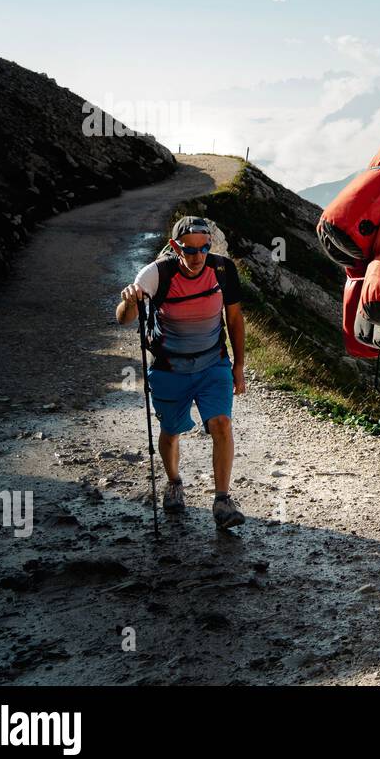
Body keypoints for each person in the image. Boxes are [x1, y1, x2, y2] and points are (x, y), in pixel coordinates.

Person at [115, 216, 247, 529]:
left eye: (204, 248)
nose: (198, 255)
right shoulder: (155, 273)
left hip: (213, 363)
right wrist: (129, 300)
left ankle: (222, 500)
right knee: (171, 431)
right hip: (169, 367)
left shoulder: (223, 270)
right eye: (190, 250)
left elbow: (235, 319)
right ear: (176, 247)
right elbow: (124, 319)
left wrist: (239, 366)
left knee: (222, 423)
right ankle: (174, 482)